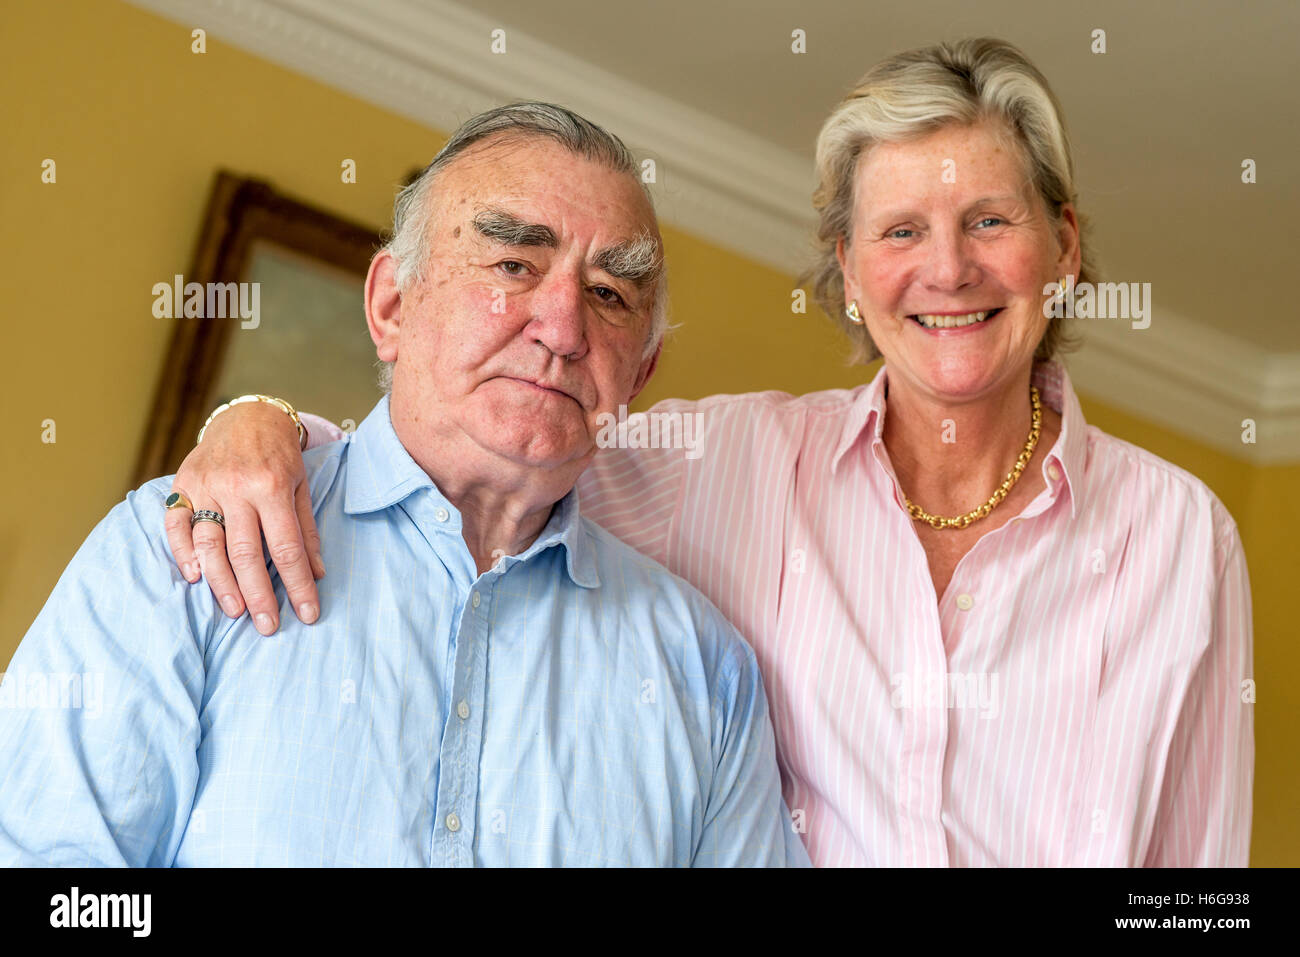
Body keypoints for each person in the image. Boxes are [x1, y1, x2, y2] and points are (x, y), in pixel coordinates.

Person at [161, 38, 1254, 867]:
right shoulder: (725, 462)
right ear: (847, 269)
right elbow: (483, 455)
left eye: (990, 222)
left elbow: (1193, 879)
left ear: (1062, 246)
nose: (948, 270)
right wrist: (266, 431)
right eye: (900, 231)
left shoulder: (1179, 536)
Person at [0, 103, 810, 868]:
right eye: (513, 264)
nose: (564, 330)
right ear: (391, 304)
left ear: (639, 370)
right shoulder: (184, 545)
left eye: (609, 293)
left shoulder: (707, 675)